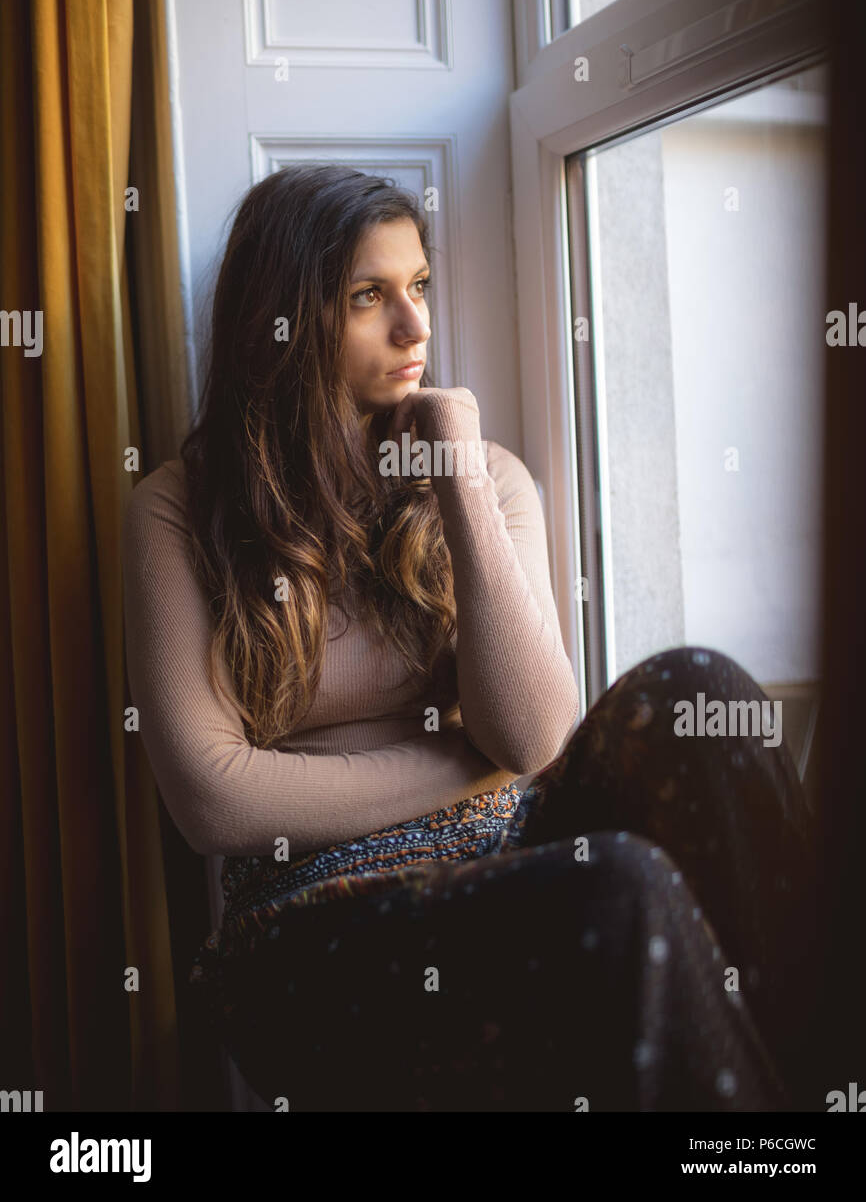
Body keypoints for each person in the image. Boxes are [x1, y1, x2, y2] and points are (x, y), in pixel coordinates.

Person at [121, 164, 817, 1112]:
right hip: (308, 921)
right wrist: (473, 763)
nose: (416, 329)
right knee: (621, 885)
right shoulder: (176, 509)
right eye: (369, 297)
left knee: (706, 695)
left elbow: (531, 738)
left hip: (513, 848)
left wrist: (455, 476)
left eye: (420, 288)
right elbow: (214, 801)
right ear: (282, 316)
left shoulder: (482, 475)